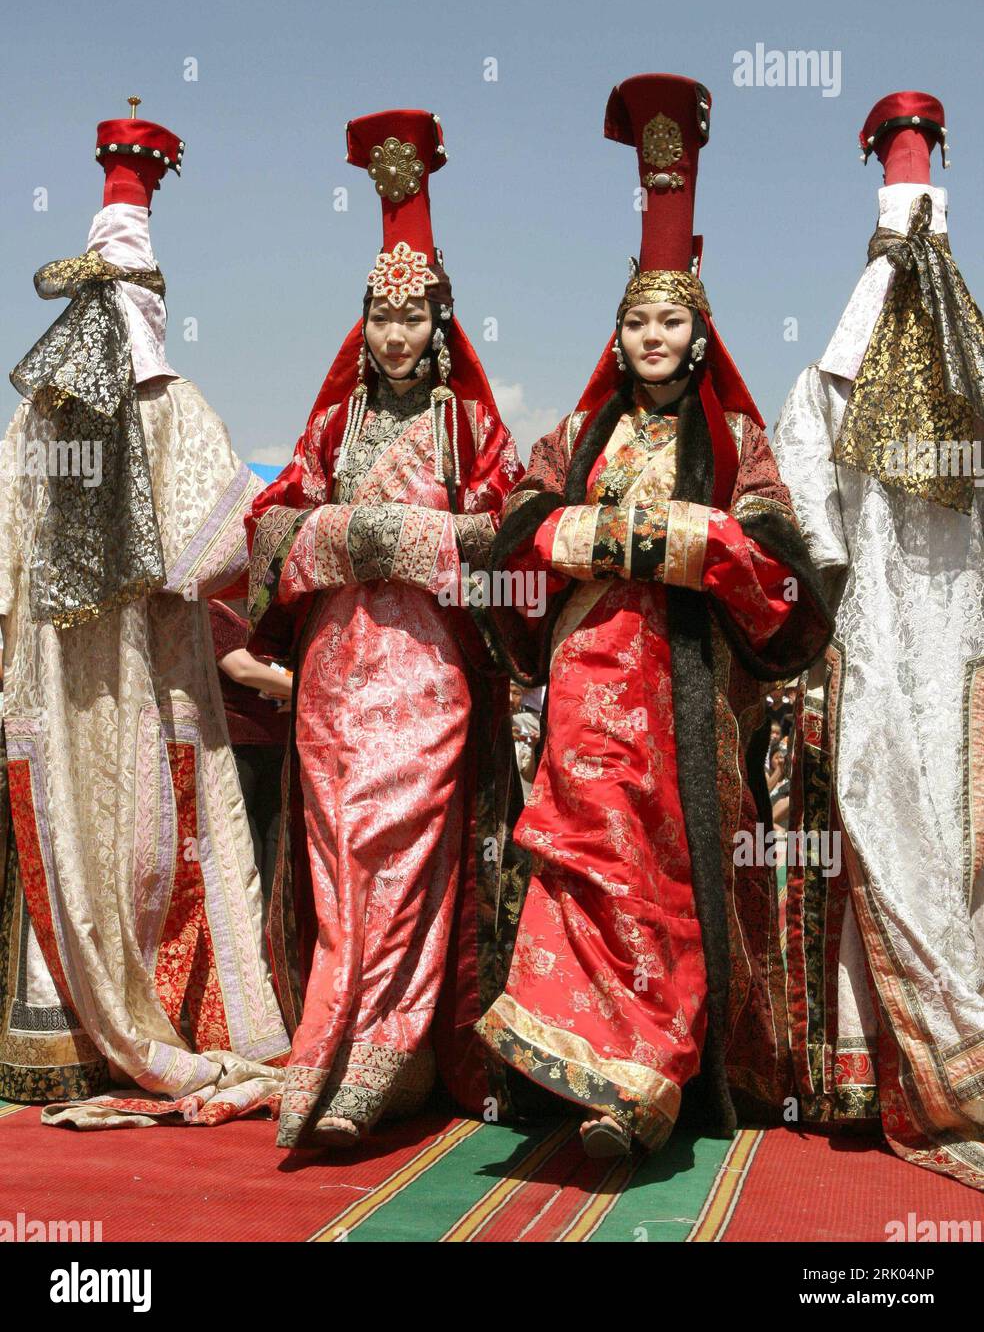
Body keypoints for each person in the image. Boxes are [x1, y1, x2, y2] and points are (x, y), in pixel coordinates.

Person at [475, 74, 832, 1158]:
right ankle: (587, 1070)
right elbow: (519, 527)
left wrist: (673, 537)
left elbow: (773, 561)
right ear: (618, 330)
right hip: (587, 690)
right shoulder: (578, 435)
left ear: (701, 327)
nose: (654, 336)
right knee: (583, 861)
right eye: (639, 319)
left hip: (685, 708)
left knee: (667, 883)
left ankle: (651, 1080)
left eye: (673, 319)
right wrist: (608, 535)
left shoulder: (733, 444)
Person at [0, 103, 288, 1123]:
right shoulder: (178, 407)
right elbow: (212, 555)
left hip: (52, 680)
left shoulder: (33, 411)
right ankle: (164, 1027)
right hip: (150, 680)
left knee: (79, 849)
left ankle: (63, 1045)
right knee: (155, 855)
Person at [245, 109, 528, 1149]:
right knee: (339, 862)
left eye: (412, 317)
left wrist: (394, 537)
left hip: (426, 677)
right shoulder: (336, 423)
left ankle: (390, 1054)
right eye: (379, 316)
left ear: (444, 324)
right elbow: (271, 529)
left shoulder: (469, 426)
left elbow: (508, 541)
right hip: (331, 681)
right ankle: (327, 1040)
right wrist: (343, 532)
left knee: (404, 854)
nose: (395, 334)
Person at [774, 92, 984, 1188]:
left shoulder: (852, 383)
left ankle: (894, 1065)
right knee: (889, 815)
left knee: (949, 826)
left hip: (955, 639)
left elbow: (806, 492)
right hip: (890, 632)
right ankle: (871, 1065)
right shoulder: (839, 380)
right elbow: (805, 499)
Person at [208, 596, 292, 904]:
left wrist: (292, 687)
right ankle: (244, 934)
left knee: (276, 844)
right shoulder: (212, 608)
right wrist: (304, 686)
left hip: (278, 744)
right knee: (244, 843)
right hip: (237, 747)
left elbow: (279, 666)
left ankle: (269, 942)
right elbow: (240, 667)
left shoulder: (271, 614)